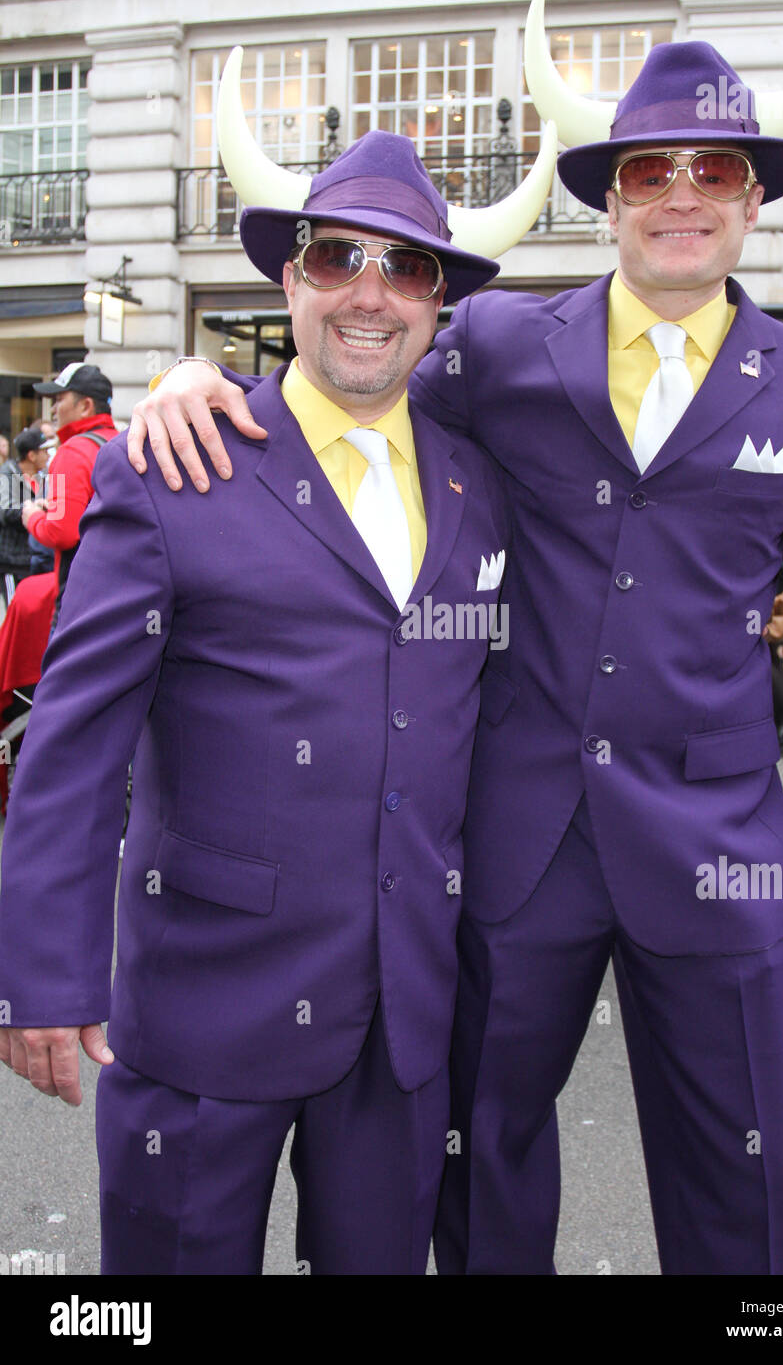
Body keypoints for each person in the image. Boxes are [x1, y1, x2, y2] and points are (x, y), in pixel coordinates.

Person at [126, 32, 783, 1275]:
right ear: (608, 196)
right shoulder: (493, 346)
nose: (680, 195)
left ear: (755, 199)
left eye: (714, 172)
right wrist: (190, 379)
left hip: (719, 843)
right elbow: (341, 387)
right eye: (649, 170)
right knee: (478, 1158)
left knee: (746, 1167)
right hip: (512, 839)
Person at [0, 129, 554, 1275]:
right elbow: (70, 741)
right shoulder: (169, 468)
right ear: (287, 277)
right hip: (206, 1003)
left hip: (403, 1019)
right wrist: (37, 974)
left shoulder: (478, 482)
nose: (369, 291)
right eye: (336, 256)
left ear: (436, 301)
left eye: (403, 267)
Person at [23, 363, 117, 622]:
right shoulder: (119, 441)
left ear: (85, 405)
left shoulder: (72, 451)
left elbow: (61, 532)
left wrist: (32, 516)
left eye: (59, 399)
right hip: (118, 590)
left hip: (78, 597)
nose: (53, 409)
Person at [0, 427, 49, 597]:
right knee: (15, 609)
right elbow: (5, 511)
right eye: (44, 451)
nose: (48, 455)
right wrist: (34, 508)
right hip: (12, 562)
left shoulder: (44, 477)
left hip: (35, 560)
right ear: (31, 455)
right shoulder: (7, 474)